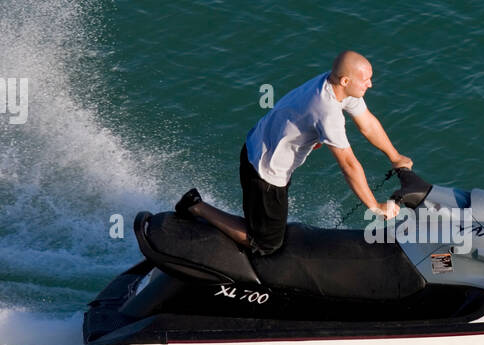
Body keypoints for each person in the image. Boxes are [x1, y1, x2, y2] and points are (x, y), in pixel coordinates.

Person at [176, 50, 412, 255]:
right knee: (265, 244)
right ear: (345, 80)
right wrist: (374, 206)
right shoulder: (327, 111)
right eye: (366, 80)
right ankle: (195, 205)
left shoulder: (336, 86)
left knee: (266, 222)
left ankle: (251, 222)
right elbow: (349, 164)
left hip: (257, 146)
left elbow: (367, 124)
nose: (370, 84)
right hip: (265, 172)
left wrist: (395, 156)